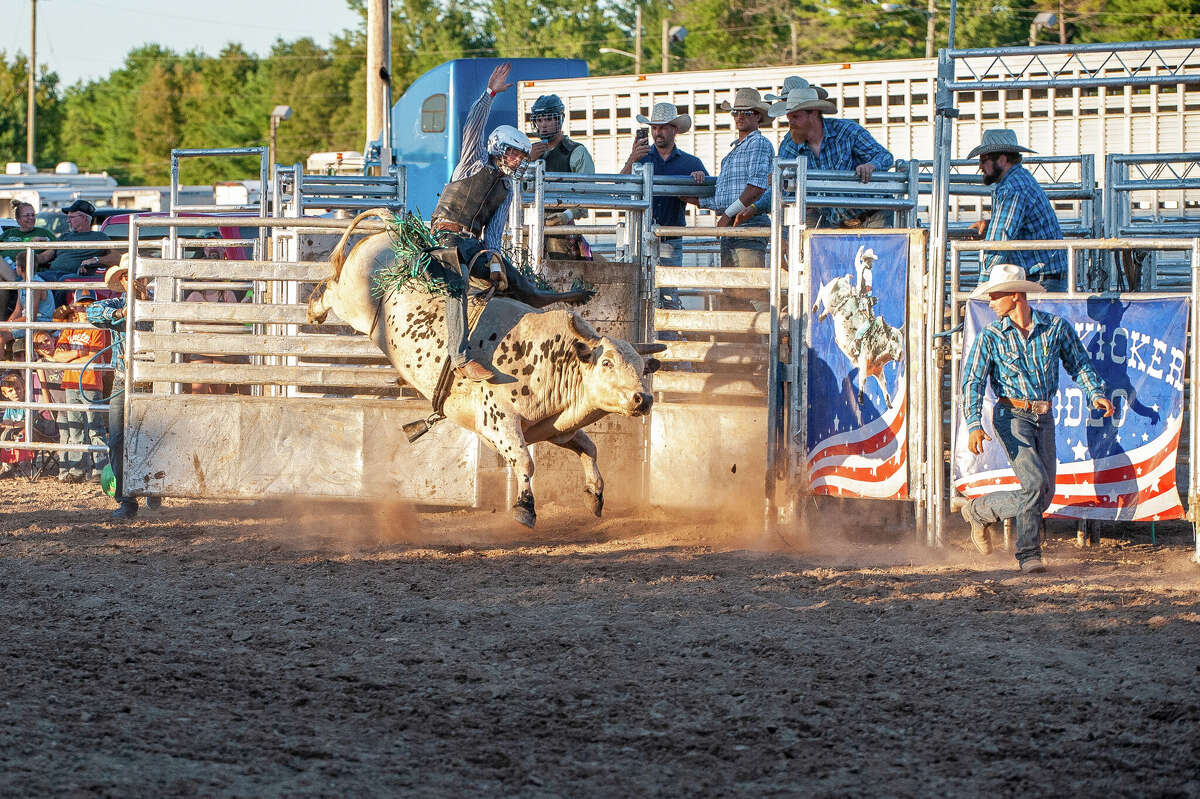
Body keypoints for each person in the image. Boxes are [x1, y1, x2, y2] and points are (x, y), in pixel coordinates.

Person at [427, 63, 591, 382]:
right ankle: (460, 357)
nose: (519, 160)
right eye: (515, 154)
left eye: (521, 155)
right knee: (456, 283)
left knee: (514, 279)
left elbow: (494, 237)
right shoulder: (471, 163)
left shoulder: (507, 189)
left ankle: (542, 297)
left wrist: (496, 263)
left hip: (473, 244)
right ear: (500, 150)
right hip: (445, 235)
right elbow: (473, 126)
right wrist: (489, 94)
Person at [960, 263, 1114, 573]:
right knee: (1034, 483)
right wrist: (975, 424)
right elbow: (972, 382)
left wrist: (1094, 393)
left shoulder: (1055, 327)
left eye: (995, 296)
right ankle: (1028, 554)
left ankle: (979, 510)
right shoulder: (991, 336)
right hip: (1010, 415)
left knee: (1042, 494)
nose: (990, 302)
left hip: (1043, 415)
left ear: (1015, 296)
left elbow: (1079, 365)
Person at [748, 80, 894, 228]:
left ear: (813, 113)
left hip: (874, 214)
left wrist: (871, 165)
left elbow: (884, 156)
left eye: (796, 117)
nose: (790, 122)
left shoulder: (846, 131)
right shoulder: (790, 145)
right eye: (789, 117)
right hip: (837, 223)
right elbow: (780, 187)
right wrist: (755, 207)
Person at [86, 261, 160, 519]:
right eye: (128, 277)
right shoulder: (117, 305)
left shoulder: (158, 304)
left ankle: (152, 486)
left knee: (152, 437)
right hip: (123, 380)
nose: (133, 281)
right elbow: (93, 313)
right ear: (123, 280)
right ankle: (126, 498)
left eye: (136, 277)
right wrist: (121, 314)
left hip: (152, 381)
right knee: (117, 439)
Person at [966, 129, 1066, 291]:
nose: (981, 166)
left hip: (1041, 280)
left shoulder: (1013, 188)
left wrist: (982, 289)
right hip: (1044, 276)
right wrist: (991, 224)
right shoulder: (1018, 180)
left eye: (984, 159)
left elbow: (998, 242)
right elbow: (1011, 225)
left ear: (1003, 160)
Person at [620, 101, 708, 269]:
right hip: (640, 237)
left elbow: (710, 198)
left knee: (666, 289)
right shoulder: (640, 157)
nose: (657, 133)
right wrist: (632, 159)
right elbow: (619, 190)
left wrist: (697, 184)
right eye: (654, 128)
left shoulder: (691, 163)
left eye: (662, 128)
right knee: (641, 288)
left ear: (675, 130)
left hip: (670, 238)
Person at [705, 88, 774, 268]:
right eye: (736, 112)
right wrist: (692, 198)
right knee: (733, 288)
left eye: (746, 113)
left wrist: (727, 214)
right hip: (736, 223)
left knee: (746, 286)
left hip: (748, 221)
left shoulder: (758, 143)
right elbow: (729, 194)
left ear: (757, 117)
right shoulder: (738, 148)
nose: (739, 117)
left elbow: (757, 188)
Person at [527, 93, 596, 259]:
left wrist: (567, 215)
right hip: (530, 227)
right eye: (539, 119)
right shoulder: (527, 152)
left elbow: (587, 195)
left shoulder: (576, 152)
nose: (543, 125)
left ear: (559, 120)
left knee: (563, 275)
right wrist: (527, 161)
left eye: (548, 119)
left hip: (562, 230)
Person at [45, 301, 108, 482]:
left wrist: (70, 358)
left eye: (88, 305)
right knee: (76, 429)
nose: (84, 309)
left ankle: (100, 469)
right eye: (81, 305)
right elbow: (58, 357)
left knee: (95, 428)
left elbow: (94, 360)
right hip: (72, 383)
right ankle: (78, 469)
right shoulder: (70, 329)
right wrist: (81, 355)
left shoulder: (97, 328)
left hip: (90, 384)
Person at [1, 201, 56, 315]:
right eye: (27, 215)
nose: (31, 218)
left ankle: (18, 284)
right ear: (18, 219)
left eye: (33, 215)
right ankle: (2, 323)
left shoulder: (43, 232)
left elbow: (53, 250)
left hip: (25, 270)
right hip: (5, 268)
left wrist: (42, 244)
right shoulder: (8, 234)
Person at [41, 200, 118, 281]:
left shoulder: (100, 237)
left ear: (84, 218)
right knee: (35, 279)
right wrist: (29, 257)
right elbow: (45, 256)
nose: (68, 221)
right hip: (51, 274)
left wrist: (96, 260)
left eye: (71, 217)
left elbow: (116, 257)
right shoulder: (64, 236)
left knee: (64, 281)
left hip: (72, 277)